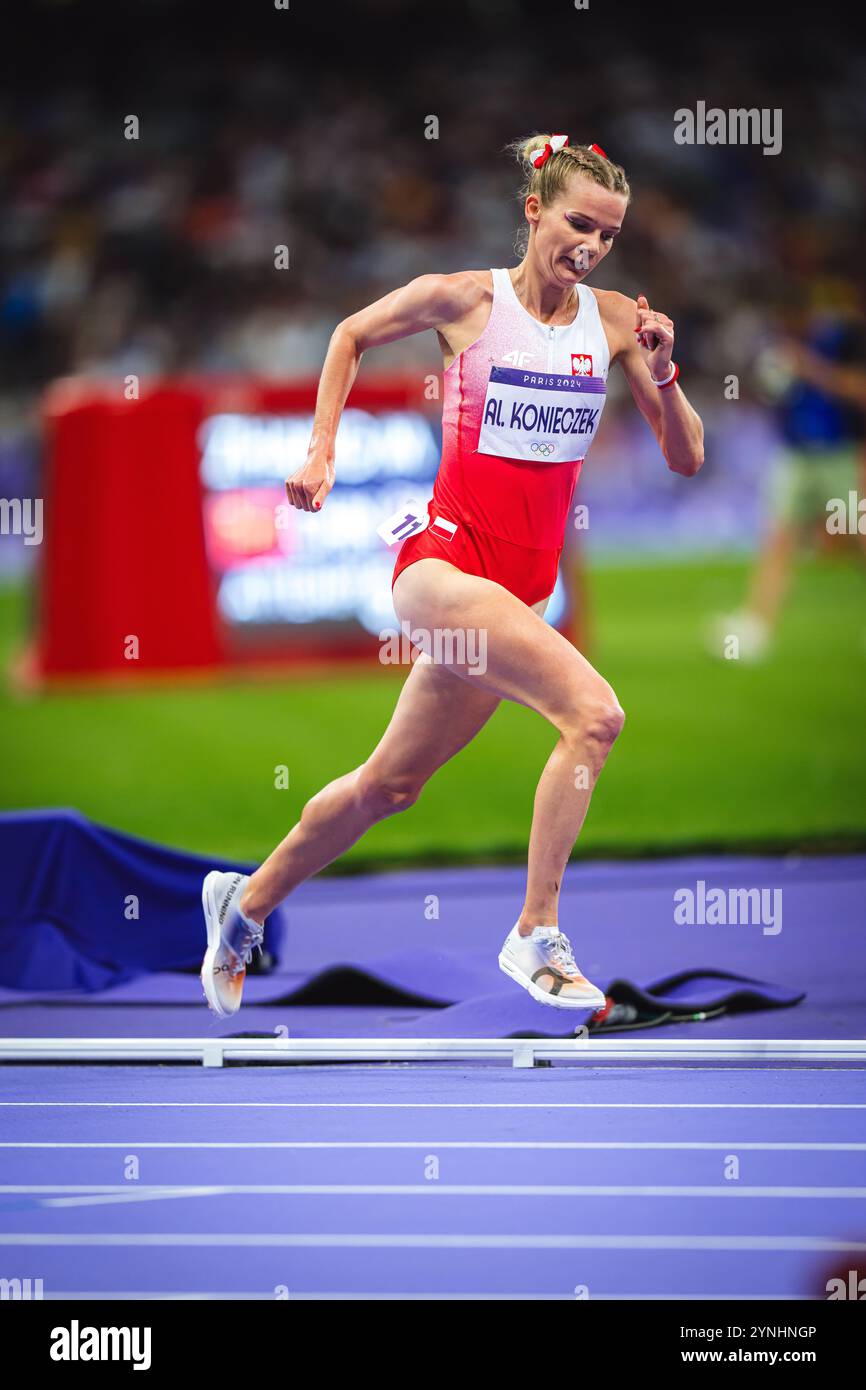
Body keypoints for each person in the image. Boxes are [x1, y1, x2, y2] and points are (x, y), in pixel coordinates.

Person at [199, 133, 704, 1019]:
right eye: (578, 222)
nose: (590, 246)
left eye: (610, 235)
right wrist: (321, 451)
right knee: (594, 717)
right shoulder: (465, 300)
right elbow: (350, 334)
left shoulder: (618, 321)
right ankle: (535, 932)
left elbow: (686, 456)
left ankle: (242, 907)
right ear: (533, 210)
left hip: (519, 591)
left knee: (389, 786)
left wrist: (663, 375)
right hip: (440, 566)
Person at [713, 283, 866, 659]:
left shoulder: (843, 338)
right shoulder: (780, 349)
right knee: (778, 540)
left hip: (839, 454)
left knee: (859, 539)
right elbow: (772, 397)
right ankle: (756, 629)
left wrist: (811, 369)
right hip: (794, 456)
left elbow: (858, 389)